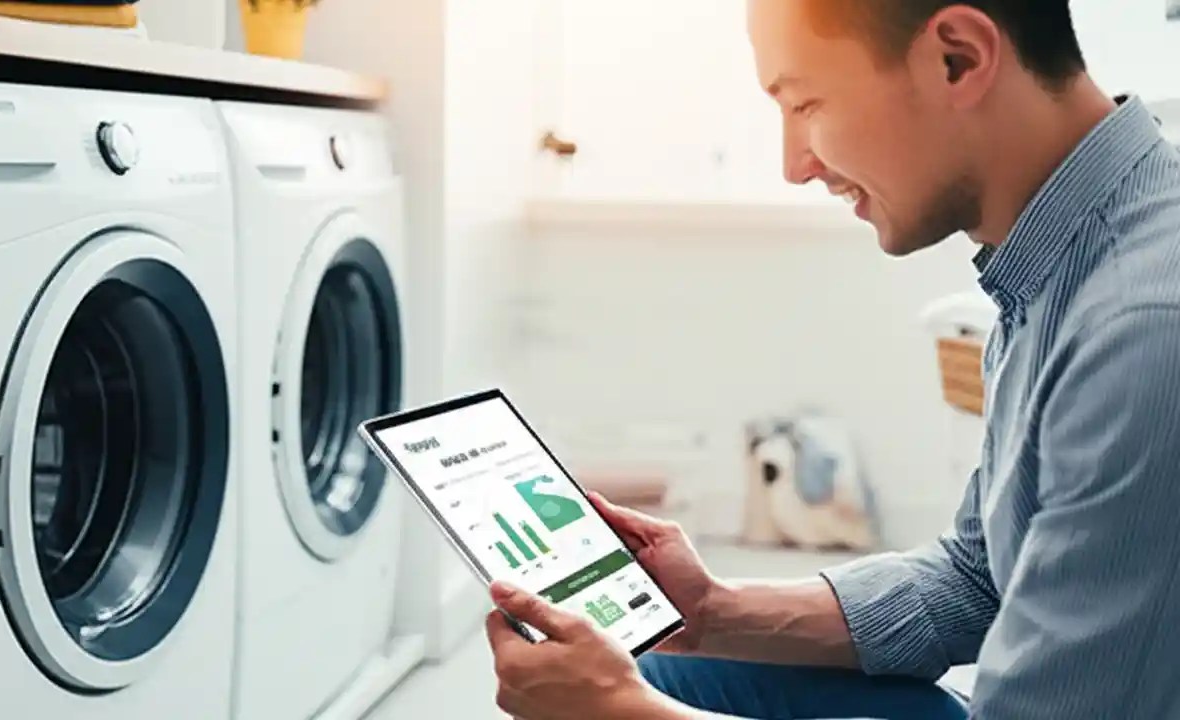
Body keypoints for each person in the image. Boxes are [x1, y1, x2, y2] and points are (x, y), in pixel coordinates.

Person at [483, 0, 1180, 718]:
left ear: (959, 58)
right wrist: (712, 609)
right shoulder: (1059, 257)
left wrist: (620, 713)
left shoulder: (1141, 334)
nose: (795, 165)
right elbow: (982, 579)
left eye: (805, 104)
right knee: (661, 661)